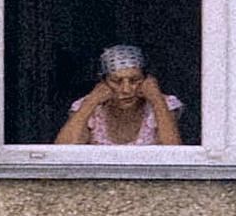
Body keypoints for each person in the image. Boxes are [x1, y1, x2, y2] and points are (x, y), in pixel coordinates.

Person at [54, 42, 184, 148]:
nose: (126, 89)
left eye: (134, 80)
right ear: (103, 82)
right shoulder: (88, 107)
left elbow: (173, 151)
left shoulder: (163, 104)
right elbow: (63, 152)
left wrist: (156, 99)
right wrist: (91, 101)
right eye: (116, 81)